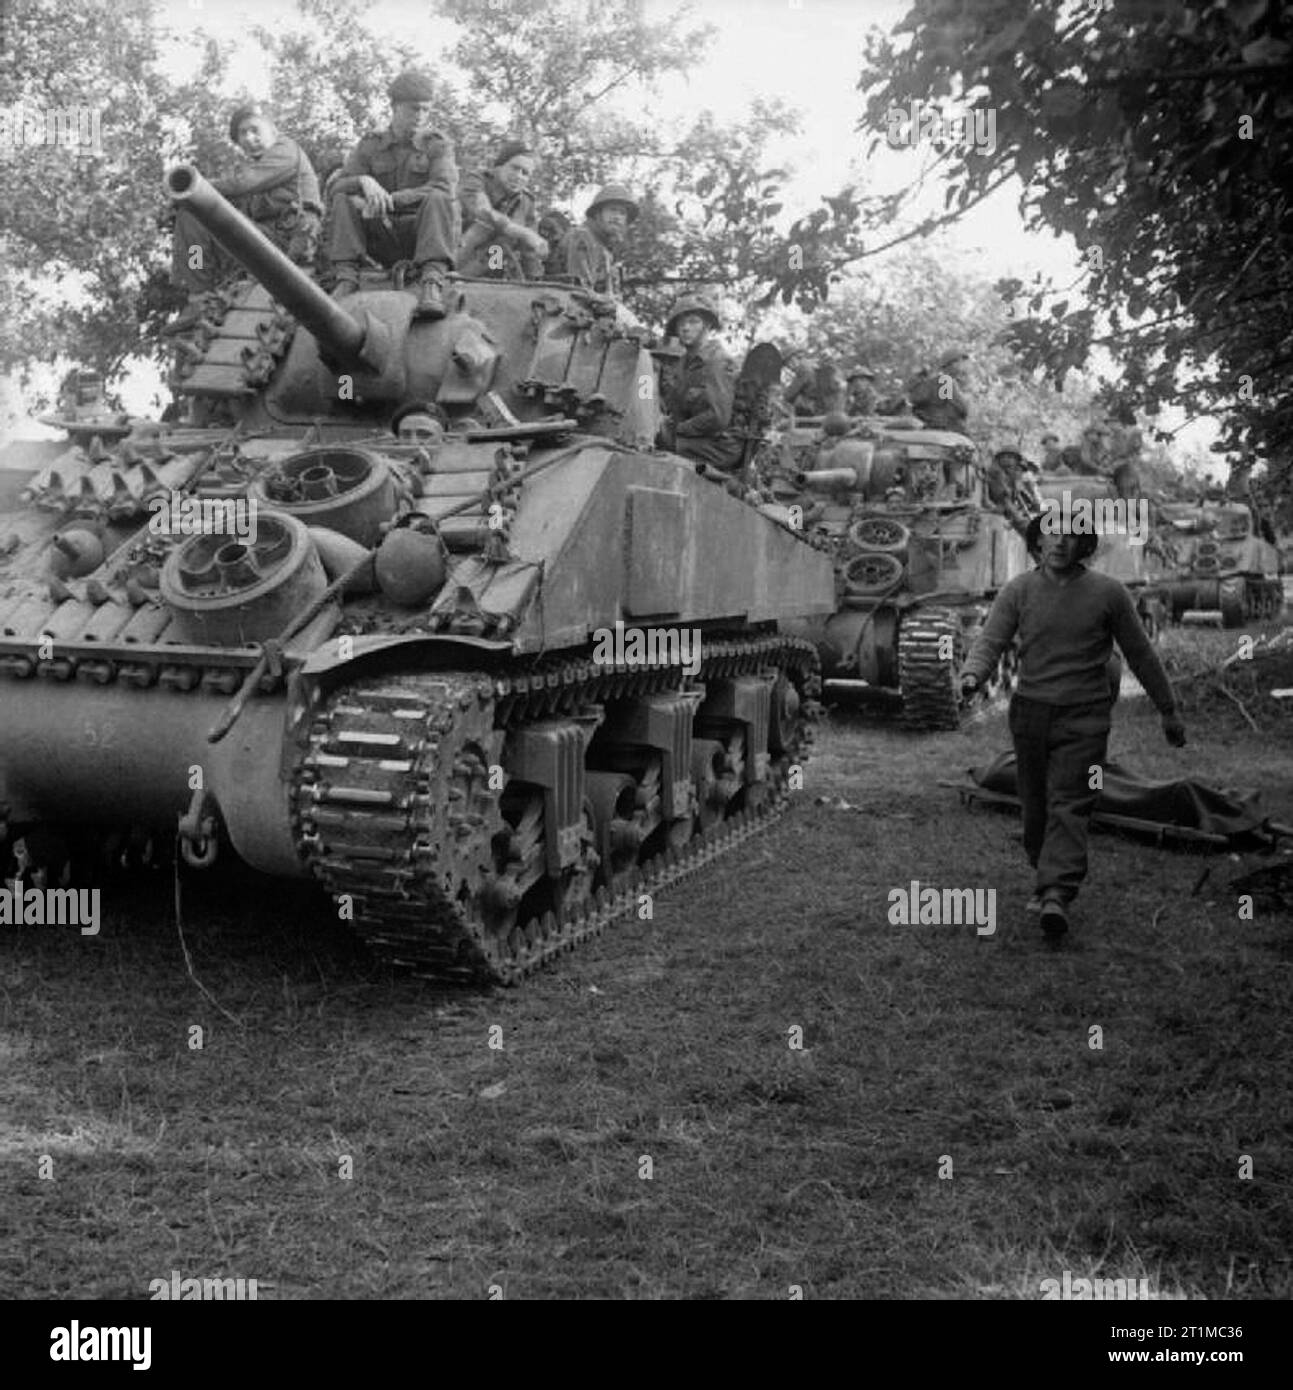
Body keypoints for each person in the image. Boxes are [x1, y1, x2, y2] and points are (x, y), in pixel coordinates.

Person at [959, 514, 1186, 942]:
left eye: (1071, 537)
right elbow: (991, 639)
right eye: (1052, 535)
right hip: (1029, 714)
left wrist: (1168, 710)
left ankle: (1057, 892)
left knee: (1071, 801)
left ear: (1084, 545)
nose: (1061, 543)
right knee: (1036, 804)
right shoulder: (1019, 590)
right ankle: (1044, 870)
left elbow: (1140, 654)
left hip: (1084, 716)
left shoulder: (1109, 593)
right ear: (1038, 542)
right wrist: (973, 676)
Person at [169, 105, 321, 326]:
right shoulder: (255, 167)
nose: (249, 138)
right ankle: (199, 294)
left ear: (272, 128)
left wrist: (198, 187)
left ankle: (201, 294)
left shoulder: (286, 150)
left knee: (193, 215)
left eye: (254, 130)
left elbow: (243, 184)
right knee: (192, 226)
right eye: (243, 134)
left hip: (291, 242)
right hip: (265, 243)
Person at [327, 70, 458, 318]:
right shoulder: (371, 145)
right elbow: (337, 186)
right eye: (413, 109)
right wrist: (364, 181)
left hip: (424, 235)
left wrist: (388, 200)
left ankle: (432, 280)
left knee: (441, 200)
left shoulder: (436, 145)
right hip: (382, 233)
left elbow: (444, 188)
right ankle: (346, 278)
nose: (420, 116)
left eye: (425, 110)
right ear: (395, 107)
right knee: (343, 199)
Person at [657, 292, 742, 473]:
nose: (685, 328)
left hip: (719, 446)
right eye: (681, 323)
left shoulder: (718, 362)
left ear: (708, 325)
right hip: (697, 439)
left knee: (659, 448)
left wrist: (676, 429)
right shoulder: (683, 364)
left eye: (693, 322)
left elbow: (718, 417)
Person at [457, 140, 547, 280]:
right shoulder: (476, 180)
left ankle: (487, 279)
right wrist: (520, 231)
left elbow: (529, 251)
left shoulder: (526, 202)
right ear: (500, 166)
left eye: (525, 173)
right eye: (515, 168)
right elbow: (483, 212)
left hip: (491, 265)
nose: (518, 176)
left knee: (504, 242)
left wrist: (535, 280)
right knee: (484, 227)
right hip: (458, 251)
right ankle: (452, 276)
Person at [561, 183, 636, 294]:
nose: (617, 217)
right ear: (597, 213)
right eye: (612, 210)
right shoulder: (582, 237)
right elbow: (580, 292)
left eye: (622, 213)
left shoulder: (605, 247)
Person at [908, 350, 969, 431]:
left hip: (934, 427)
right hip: (946, 427)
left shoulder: (935, 382)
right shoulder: (946, 381)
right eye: (961, 362)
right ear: (953, 364)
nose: (964, 365)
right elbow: (963, 408)